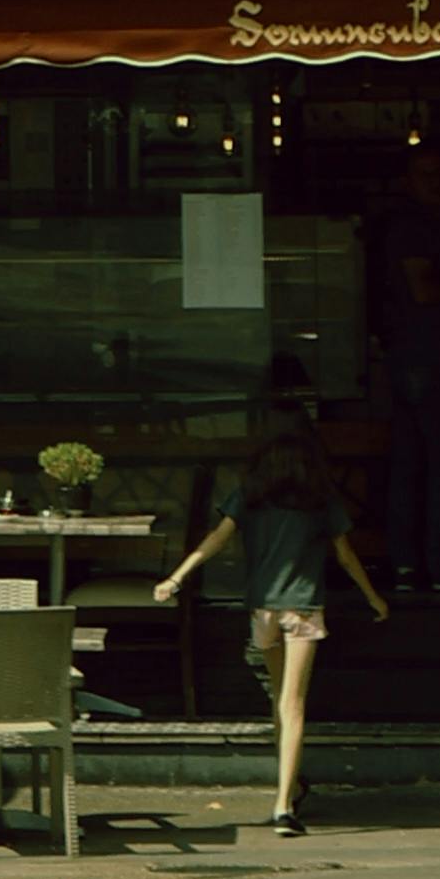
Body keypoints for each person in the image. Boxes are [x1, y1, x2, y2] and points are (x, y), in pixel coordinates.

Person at [157, 355, 389, 835]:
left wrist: (176, 578)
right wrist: (374, 597)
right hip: (302, 606)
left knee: (278, 699)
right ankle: (285, 805)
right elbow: (346, 556)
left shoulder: (251, 494)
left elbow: (215, 539)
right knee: (294, 704)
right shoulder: (320, 498)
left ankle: (292, 785)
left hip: (262, 608)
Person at [371, 147, 440, 594]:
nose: (435, 182)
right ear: (408, 181)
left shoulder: (418, 225)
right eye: (425, 174)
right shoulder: (414, 228)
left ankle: (406, 566)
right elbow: (423, 290)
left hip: (412, 357)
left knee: (410, 465)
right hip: (430, 360)